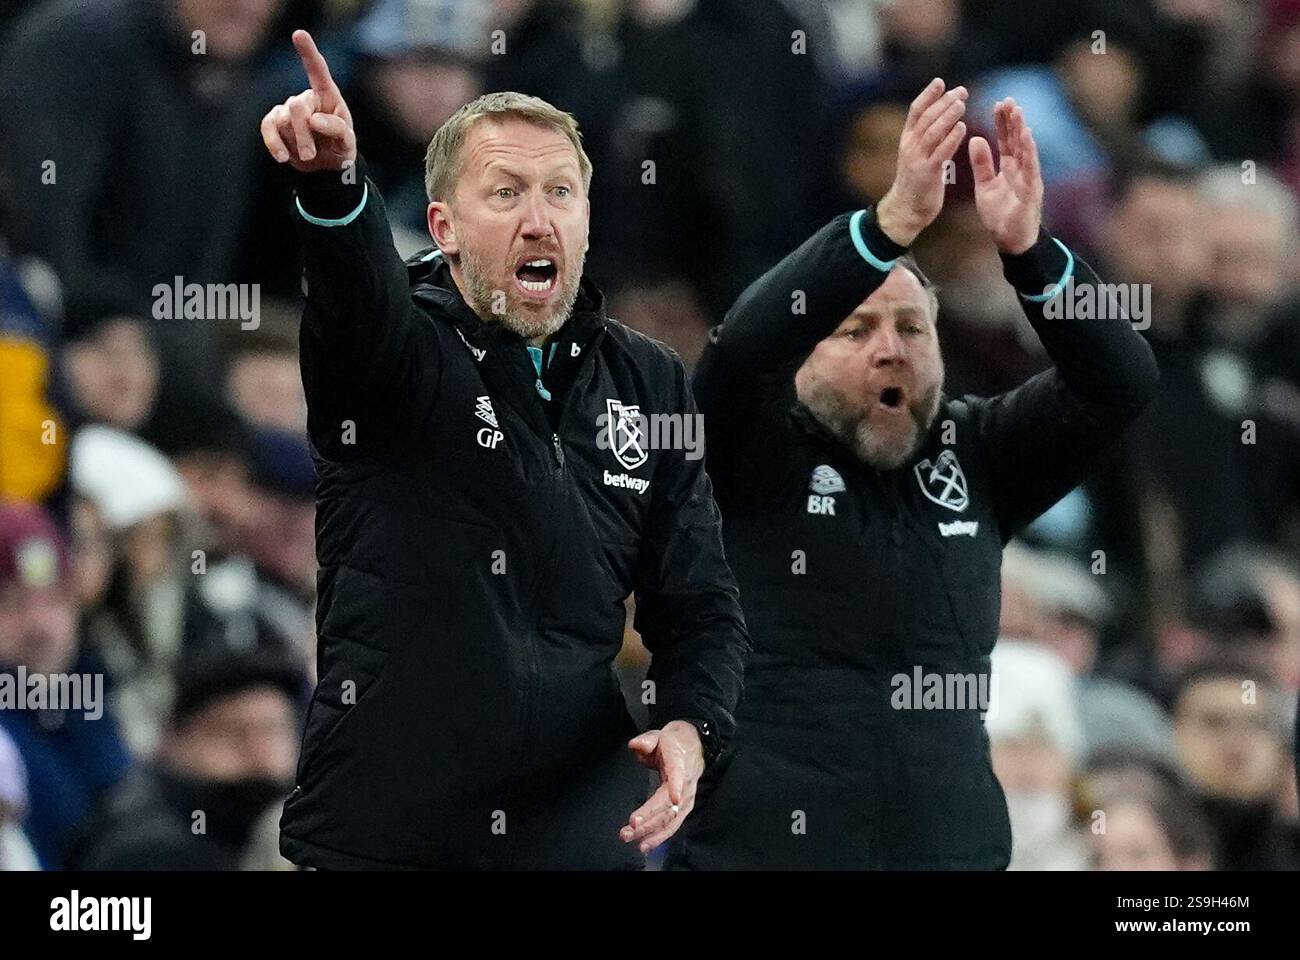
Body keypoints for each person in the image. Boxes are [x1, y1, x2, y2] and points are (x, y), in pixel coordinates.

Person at [258, 31, 748, 869]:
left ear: (587, 219)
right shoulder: (396, 351)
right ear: (443, 226)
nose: (538, 218)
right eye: (506, 192)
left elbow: (698, 604)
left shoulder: (649, 381)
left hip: (573, 830)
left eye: (561, 192)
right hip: (390, 831)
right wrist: (337, 186)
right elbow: (354, 297)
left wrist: (694, 726)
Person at [668, 79, 1160, 869]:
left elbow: (1120, 380)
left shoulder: (982, 452)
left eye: (910, 326)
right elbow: (742, 351)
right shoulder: (746, 454)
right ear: (805, 359)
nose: (890, 346)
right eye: (855, 329)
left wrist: (1030, 254)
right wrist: (887, 225)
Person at [74, 649, 302, 871]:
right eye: (231, 731)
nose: (259, 751)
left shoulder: (276, 826)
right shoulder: (146, 850)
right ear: (174, 741)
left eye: (273, 730)